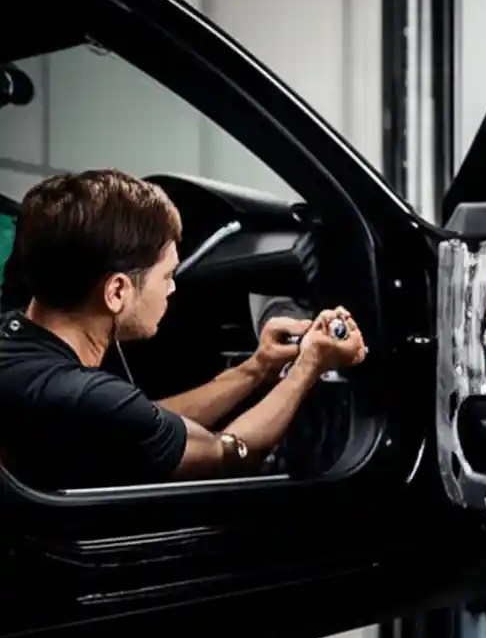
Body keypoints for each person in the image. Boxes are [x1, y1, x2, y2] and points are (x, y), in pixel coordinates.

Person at [0, 169, 367, 490]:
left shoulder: (20, 346)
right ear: (116, 291)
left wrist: (258, 367)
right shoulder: (80, 395)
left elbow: (142, 423)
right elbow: (231, 455)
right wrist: (309, 367)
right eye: (167, 275)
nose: (173, 289)